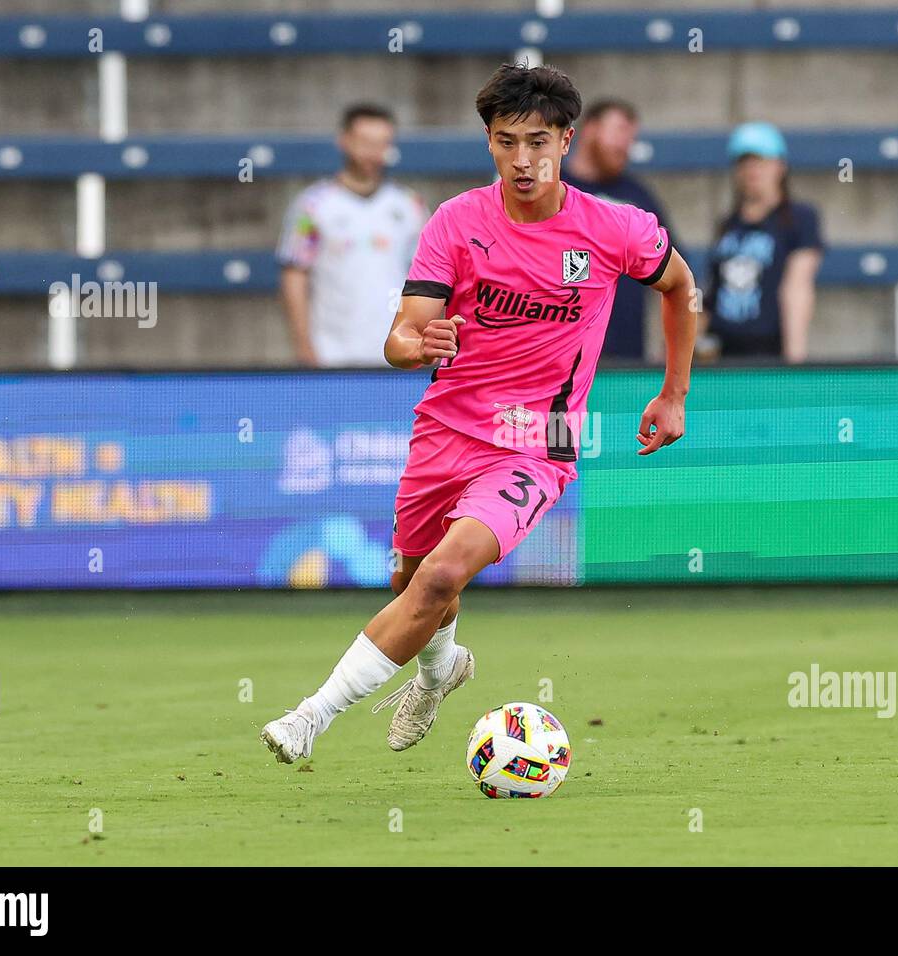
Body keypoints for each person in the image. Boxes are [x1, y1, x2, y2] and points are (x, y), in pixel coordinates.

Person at [260, 63, 696, 763]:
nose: (521, 160)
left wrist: (673, 393)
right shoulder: (457, 223)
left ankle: (311, 716)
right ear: (488, 142)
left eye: (537, 142)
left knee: (438, 577)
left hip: (539, 442)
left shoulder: (614, 228)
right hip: (445, 430)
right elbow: (402, 335)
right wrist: (413, 344)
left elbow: (680, 288)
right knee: (412, 583)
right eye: (504, 142)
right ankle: (441, 672)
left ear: (565, 140)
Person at [276, 104, 428, 368]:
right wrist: (303, 346)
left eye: (382, 143)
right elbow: (295, 276)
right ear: (344, 141)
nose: (373, 153)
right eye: (365, 142)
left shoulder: (410, 206)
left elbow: (428, 279)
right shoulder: (313, 206)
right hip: (331, 355)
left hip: (396, 356)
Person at [563, 99, 676, 360]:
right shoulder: (553, 190)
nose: (625, 145)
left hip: (626, 359)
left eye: (631, 137)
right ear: (589, 129)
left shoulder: (636, 197)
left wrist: (671, 341)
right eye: (619, 131)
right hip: (562, 356)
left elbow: (674, 268)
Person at [703, 122, 823, 362]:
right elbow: (711, 293)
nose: (752, 170)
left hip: (768, 353)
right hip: (721, 353)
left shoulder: (799, 219)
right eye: (745, 162)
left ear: (780, 166)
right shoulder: (728, 225)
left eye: (761, 161)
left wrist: (794, 358)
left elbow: (797, 288)